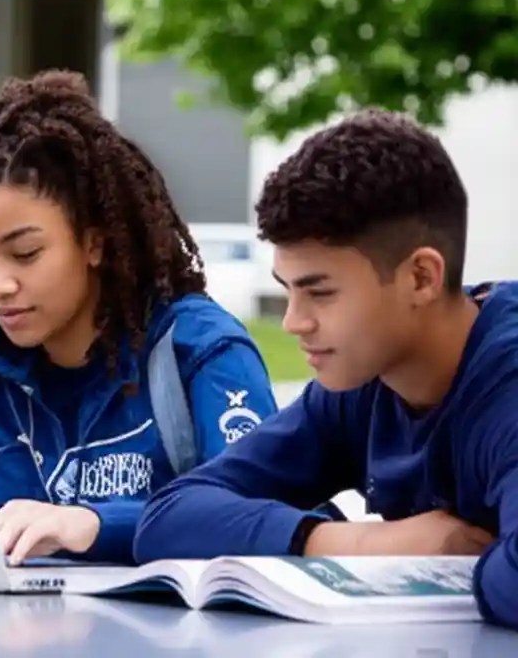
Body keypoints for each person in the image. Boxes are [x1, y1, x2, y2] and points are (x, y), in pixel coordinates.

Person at [133, 108, 518, 629]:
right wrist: (359, 541)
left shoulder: (504, 382)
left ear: (422, 278)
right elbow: (170, 517)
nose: (294, 322)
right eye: (288, 290)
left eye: (320, 292)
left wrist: (465, 557)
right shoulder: (361, 383)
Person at [0, 70, 278, 565]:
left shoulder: (201, 351)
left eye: (26, 253)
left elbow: (258, 514)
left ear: (95, 243)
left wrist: (94, 525)